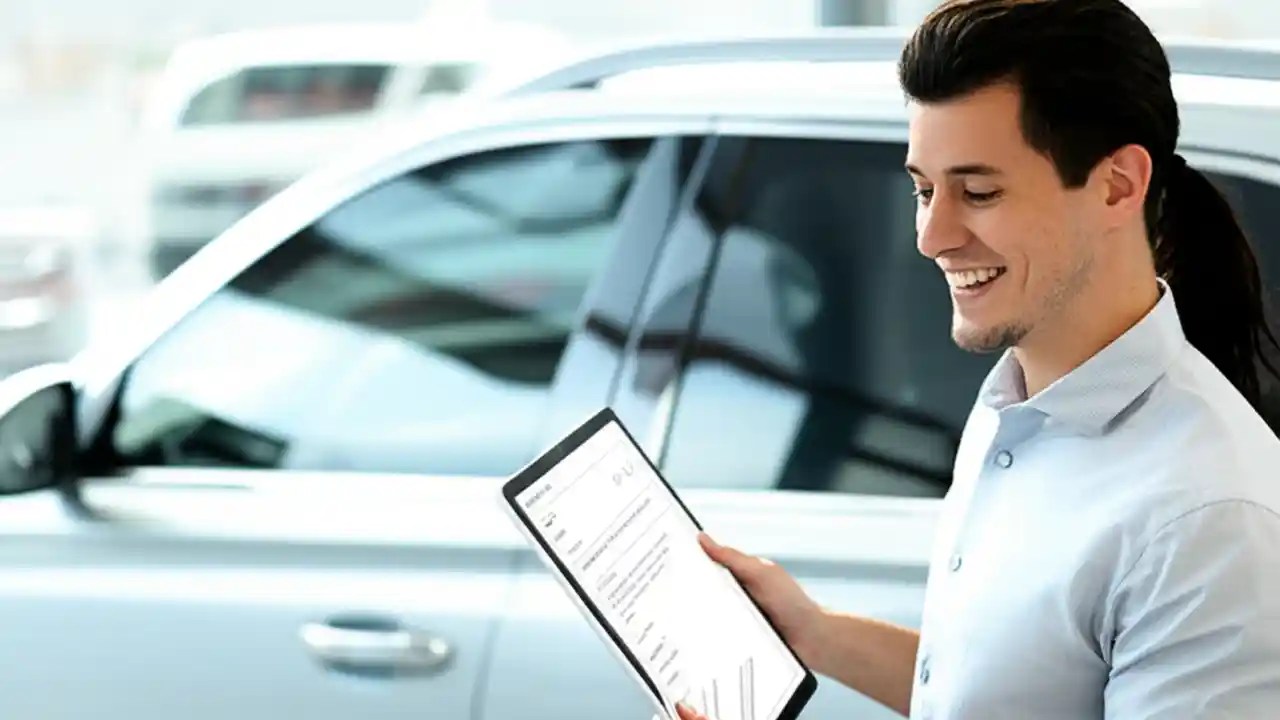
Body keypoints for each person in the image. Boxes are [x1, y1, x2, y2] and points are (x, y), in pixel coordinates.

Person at [674, 1, 1280, 719]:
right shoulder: (1017, 409)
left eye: (979, 192)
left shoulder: (1206, 520)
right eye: (924, 190)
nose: (932, 237)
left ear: (1118, 185)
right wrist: (815, 634)